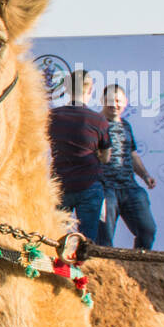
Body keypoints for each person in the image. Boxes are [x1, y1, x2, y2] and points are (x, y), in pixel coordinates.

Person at [48, 68, 110, 237]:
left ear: (66, 90)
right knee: (87, 240)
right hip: (89, 185)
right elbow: (106, 157)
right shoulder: (98, 120)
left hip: (60, 185)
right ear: (90, 90)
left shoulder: (52, 116)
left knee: (57, 238)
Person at [97, 83, 157, 248]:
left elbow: (132, 153)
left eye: (118, 101)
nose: (114, 105)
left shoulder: (126, 125)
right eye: (110, 100)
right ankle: (104, 268)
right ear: (102, 101)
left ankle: (137, 267)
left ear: (125, 102)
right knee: (103, 240)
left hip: (130, 187)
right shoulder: (95, 124)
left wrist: (145, 176)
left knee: (147, 230)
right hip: (105, 188)